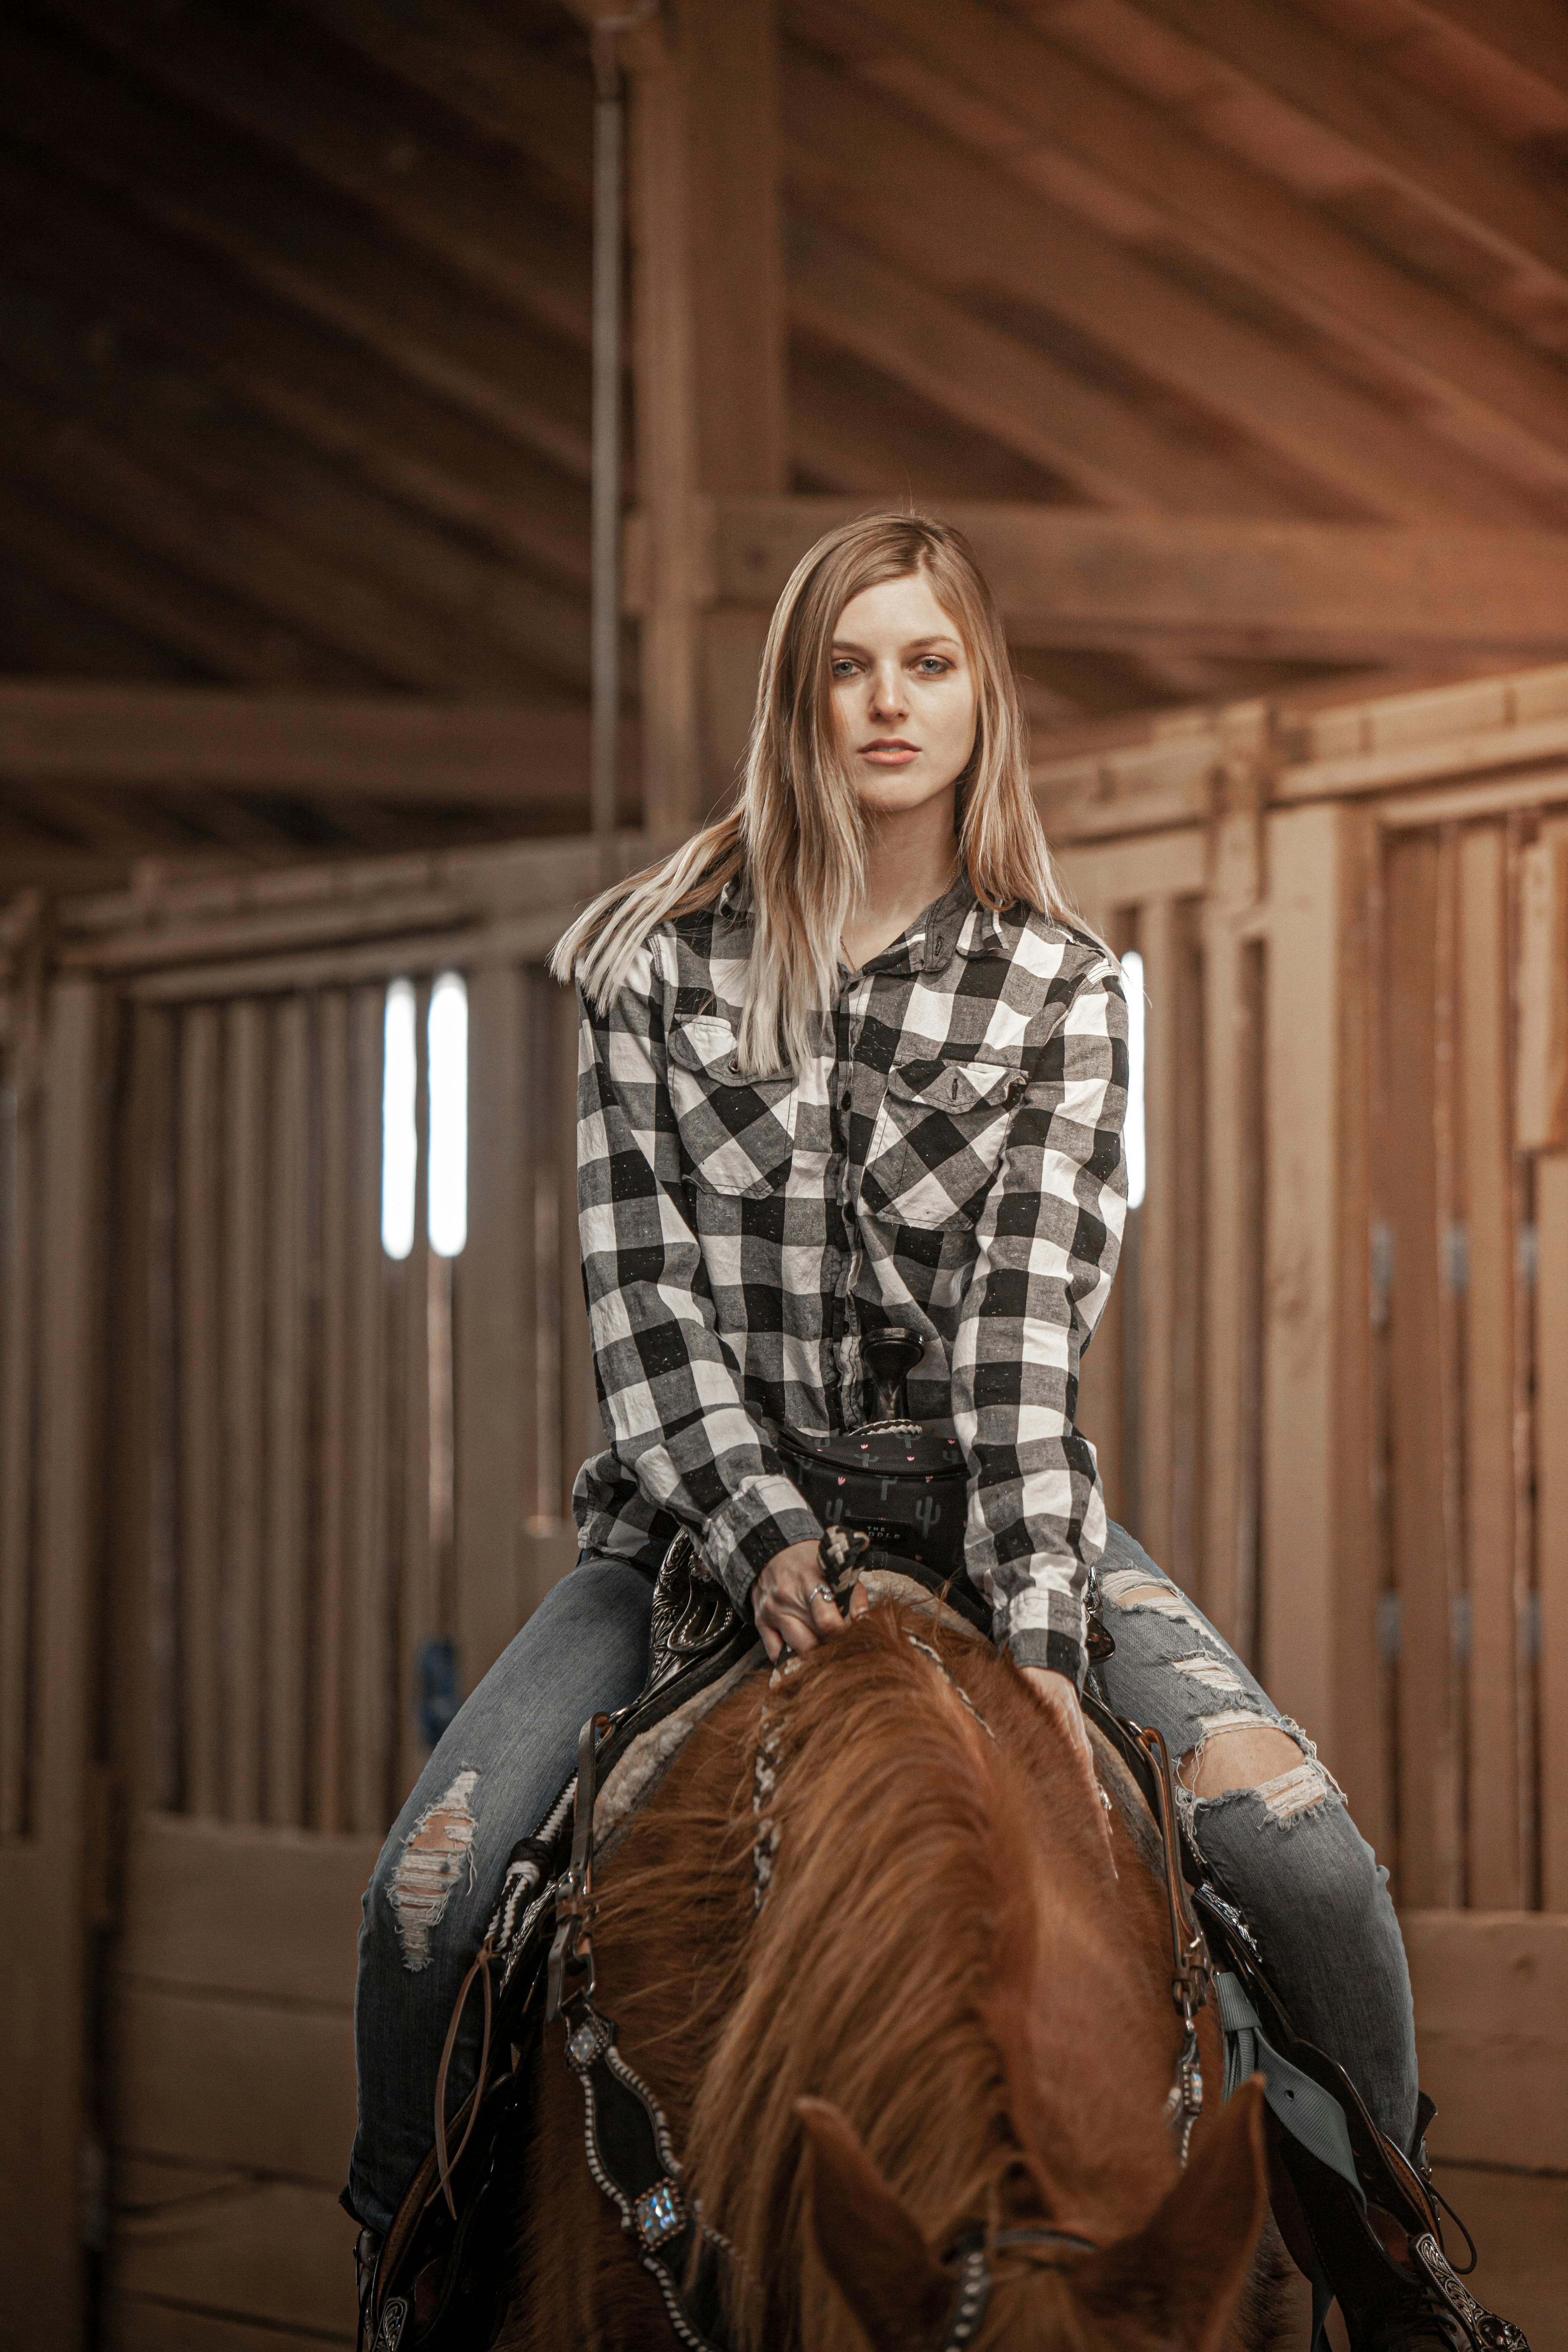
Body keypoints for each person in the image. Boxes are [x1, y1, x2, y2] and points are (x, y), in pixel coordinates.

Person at [347, 512, 1447, 2345]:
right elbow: (645, 1309)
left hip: (988, 1514)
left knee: (1312, 1867)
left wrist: (1029, 1637)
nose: (888, 700)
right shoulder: (656, 969)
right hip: (694, 1539)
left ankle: (1408, 2292)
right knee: (427, 1893)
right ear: (800, 697)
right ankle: (401, 2278)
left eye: (926, 662)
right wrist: (761, 1529)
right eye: (850, 663)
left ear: (979, 697)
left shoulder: (1067, 994)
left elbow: (1023, 1349)